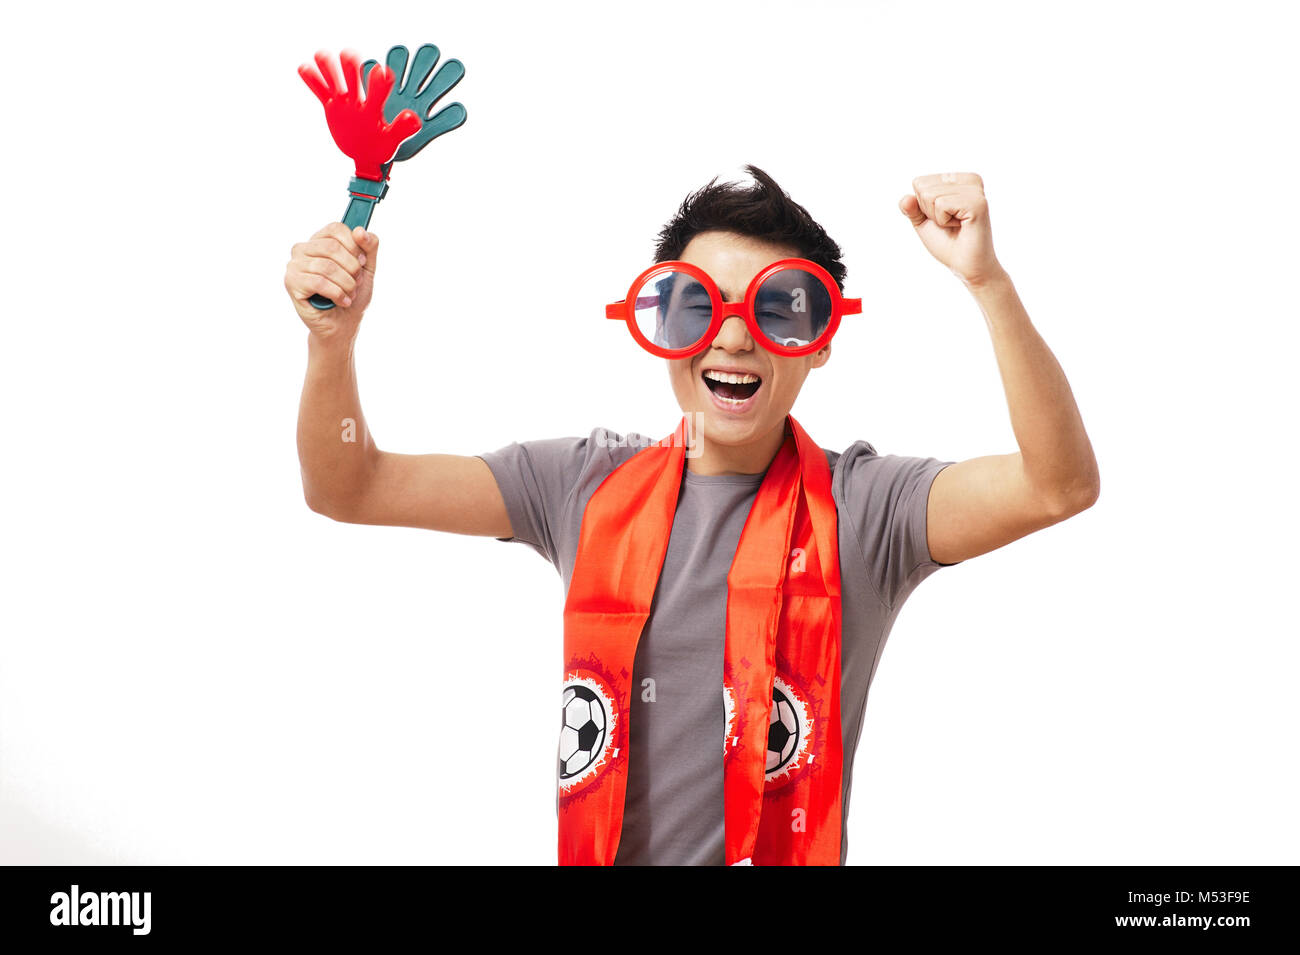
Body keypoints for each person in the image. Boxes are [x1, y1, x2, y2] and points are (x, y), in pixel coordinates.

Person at [283, 165, 1099, 865]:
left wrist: (988, 284)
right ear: (659, 327)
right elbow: (348, 485)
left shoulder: (869, 510)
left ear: (820, 340)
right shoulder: (577, 483)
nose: (736, 338)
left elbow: (1057, 485)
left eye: (779, 309)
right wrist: (333, 344)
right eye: (698, 306)